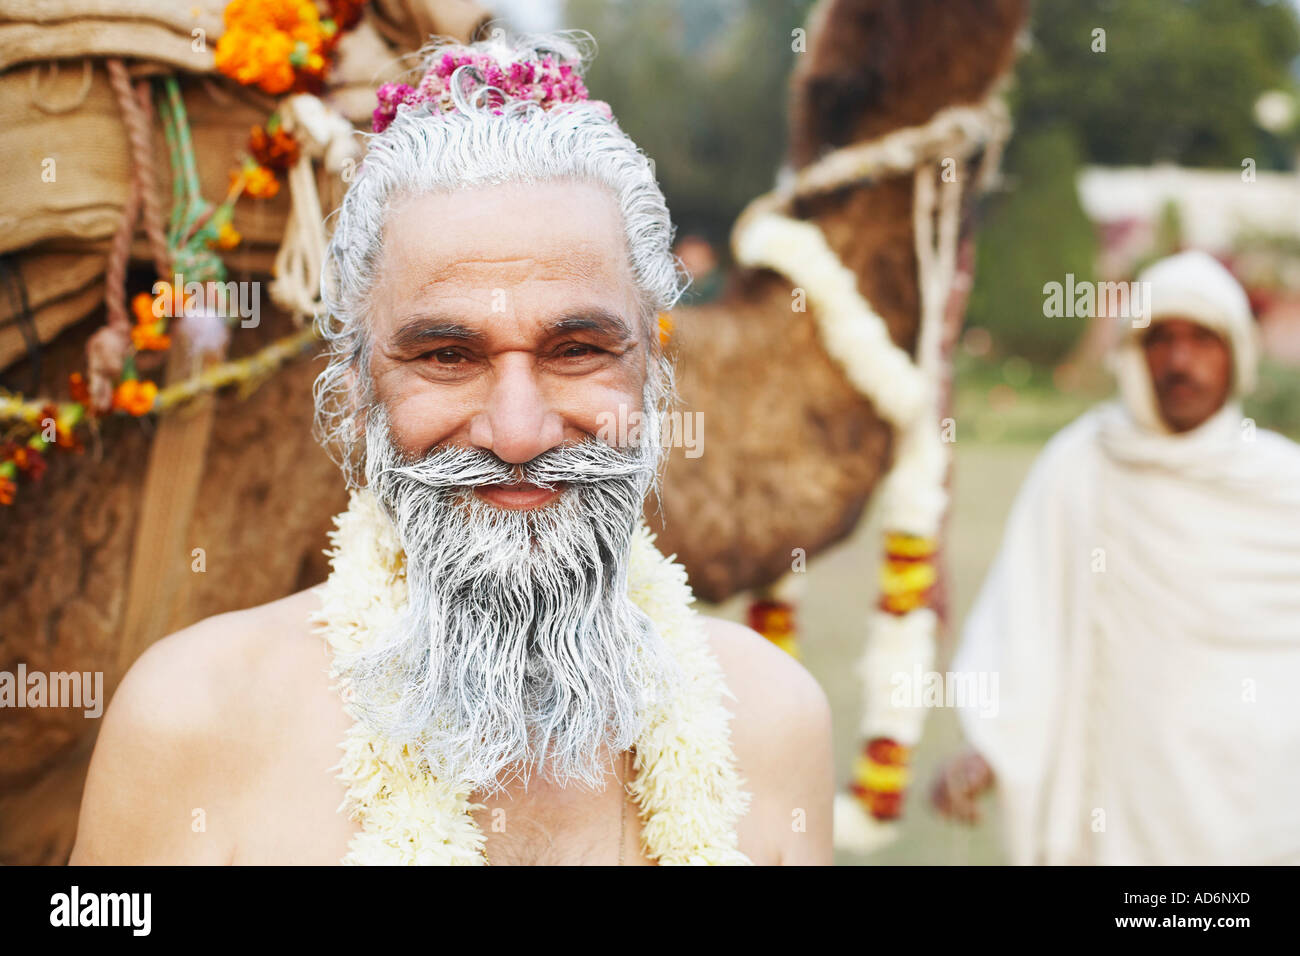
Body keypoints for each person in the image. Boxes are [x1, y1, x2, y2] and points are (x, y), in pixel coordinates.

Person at [71, 32, 832, 866]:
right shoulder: (195, 720)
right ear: (357, 388)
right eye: (447, 356)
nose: (516, 434)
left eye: (576, 350)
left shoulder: (772, 720)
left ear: (651, 371)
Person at [933, 250, 1300, 864]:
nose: (1180, 362)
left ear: (1236, 353)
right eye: (1161, 340)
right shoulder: (1081, 465)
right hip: (1121, 801)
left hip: (1260, 804)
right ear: (1134, 353)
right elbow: (1025, 617)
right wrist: (991, 745)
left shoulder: (1282, 483)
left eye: (1203, 340)